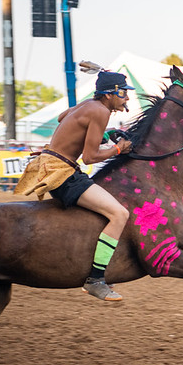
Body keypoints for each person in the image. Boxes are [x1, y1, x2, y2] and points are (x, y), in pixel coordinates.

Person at [14, 71, 134, 301]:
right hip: (64, 174)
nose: (126, 98)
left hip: (54, 167)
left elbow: (62, 117)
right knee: (119, 214)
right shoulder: (100, 111)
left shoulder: (91, 104)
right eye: (123, 92)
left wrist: (104, 134)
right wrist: (118, 149)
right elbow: (89, 157)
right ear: (109, 95)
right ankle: (95, 280)